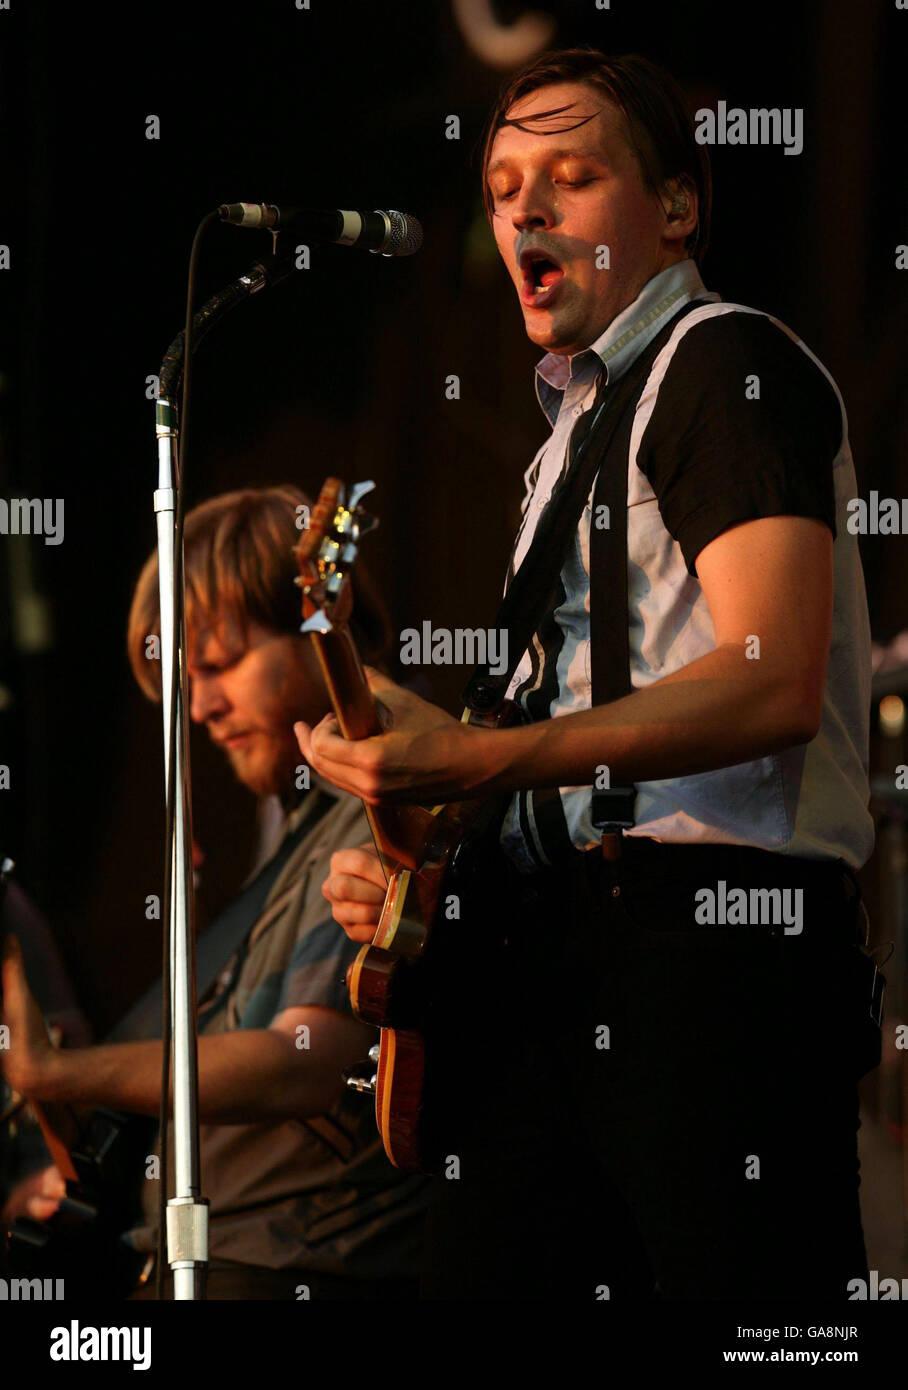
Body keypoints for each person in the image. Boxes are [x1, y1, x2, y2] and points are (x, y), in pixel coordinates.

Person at [296, 49, 880, 1299]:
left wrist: (480, 758)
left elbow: (768, 679)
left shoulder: (723, 363)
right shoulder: (568, 434)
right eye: (504, 186)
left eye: (568, 175)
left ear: (675, 207)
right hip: (555, 953)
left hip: (708, 952)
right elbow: (545, 728)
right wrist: (416, 782)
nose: (523, 210)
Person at [1, 485, 427, 1299]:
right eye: (186, 678)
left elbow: (304, 1064)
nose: (198, 707)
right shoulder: (292, 822)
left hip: (288, 1269)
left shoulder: (373, 808)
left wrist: (61, 1072)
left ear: (315, 629)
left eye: (221, 665)